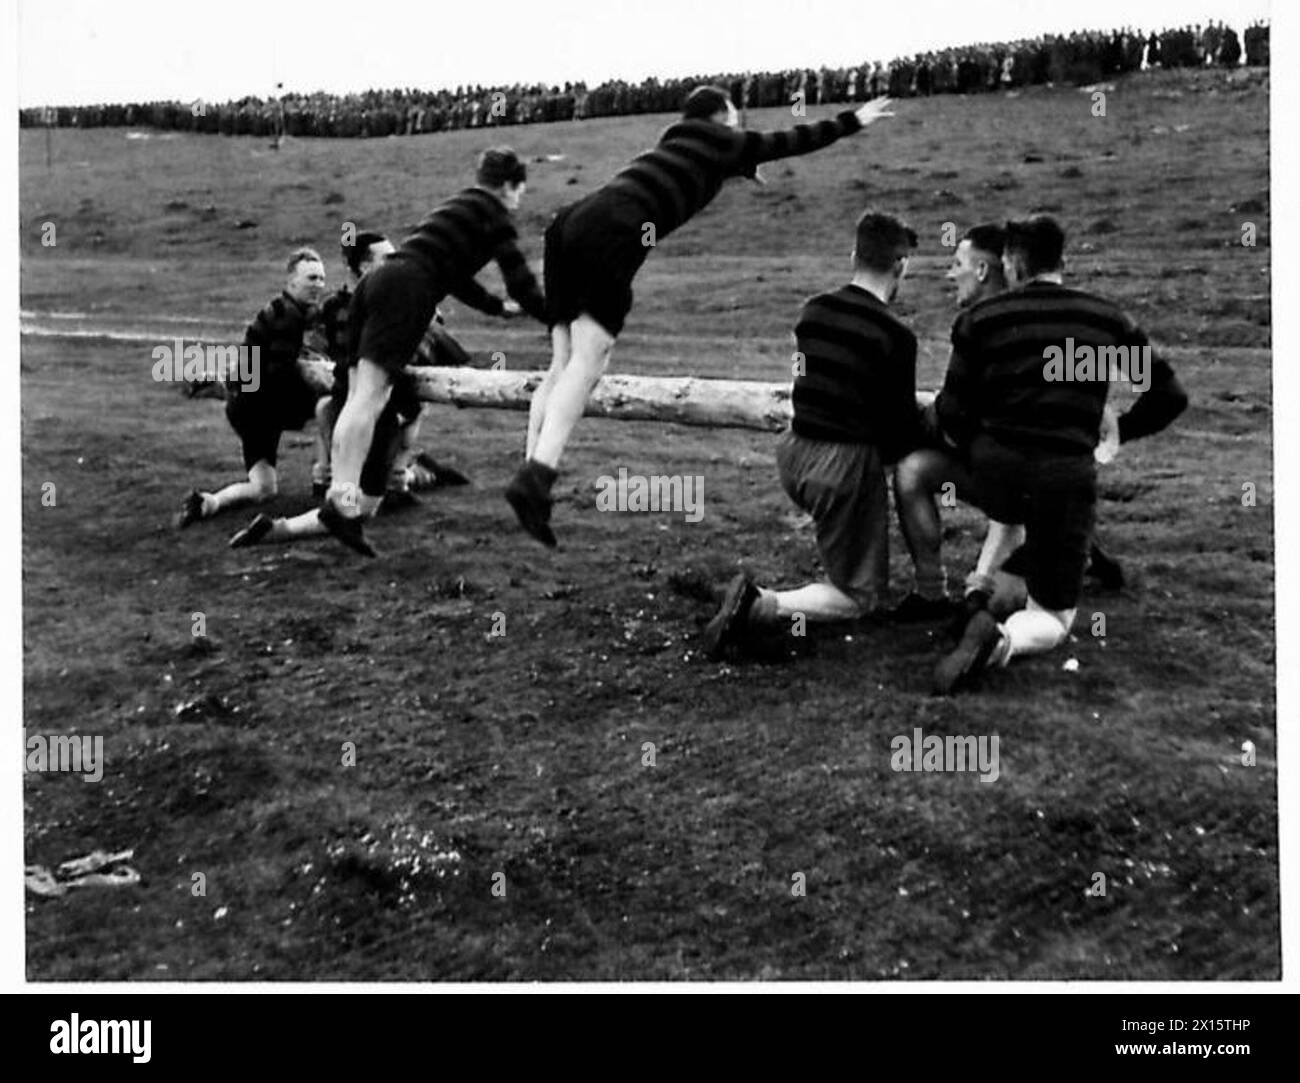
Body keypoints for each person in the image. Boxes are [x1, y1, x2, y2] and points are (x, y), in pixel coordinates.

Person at [505, 87, 895, 548]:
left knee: (562, 363)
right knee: (590, 361)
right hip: (614, 231)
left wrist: (743, 166)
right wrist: (855, 119)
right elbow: (791, 139)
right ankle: (537, 479)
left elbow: (723, 160)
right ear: (721, 117)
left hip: (568, 225)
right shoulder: (721, 139)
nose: (739, 126)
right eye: (735, 117)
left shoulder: (675, 144)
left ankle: (530, 473)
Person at [931, 216, 1178, 693]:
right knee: (1053, 618)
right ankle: (1002, 640)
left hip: (995, 475)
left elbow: (951, 411)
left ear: (1013, 264)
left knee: (1013, 518)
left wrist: (980, 444)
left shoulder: (980, 321)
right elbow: (1170, 397)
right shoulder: (1106, 320)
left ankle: (985, 589)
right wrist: (1113, 433)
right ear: (1062, 262)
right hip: (1063, 476)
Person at [702, 212, 920, 658]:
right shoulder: (896, 335)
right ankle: (762, 605)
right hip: (841, 466)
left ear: (853, 255)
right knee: (857, 599)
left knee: (841, 529)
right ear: (902, 266)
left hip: (794, 452)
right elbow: (899, 431)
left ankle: (813, 572)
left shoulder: (814, 310)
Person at [319, 148, 546, 557]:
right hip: (408, 292)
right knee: (370, 397)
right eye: (519, 191)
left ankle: (344, 503)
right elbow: (519, 277)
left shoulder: (457, 205)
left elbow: (454, 276)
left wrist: (496, 308)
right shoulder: (494, 212)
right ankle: (340, 502)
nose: (518, 200)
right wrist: (550, 312)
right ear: (510, 185)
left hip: (381, 283)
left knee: (361, 396)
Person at [176, 248, 325, 528]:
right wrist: (318, 377)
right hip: (260, 408)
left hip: (247, 406)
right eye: (311, 278)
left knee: (263, 489)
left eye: (321, 279)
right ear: (292, 282)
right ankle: (327, 481)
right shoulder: (288, 317)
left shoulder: (284, 309)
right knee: (332, 405)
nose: (318, 285)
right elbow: (279, 375)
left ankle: (208, 503)